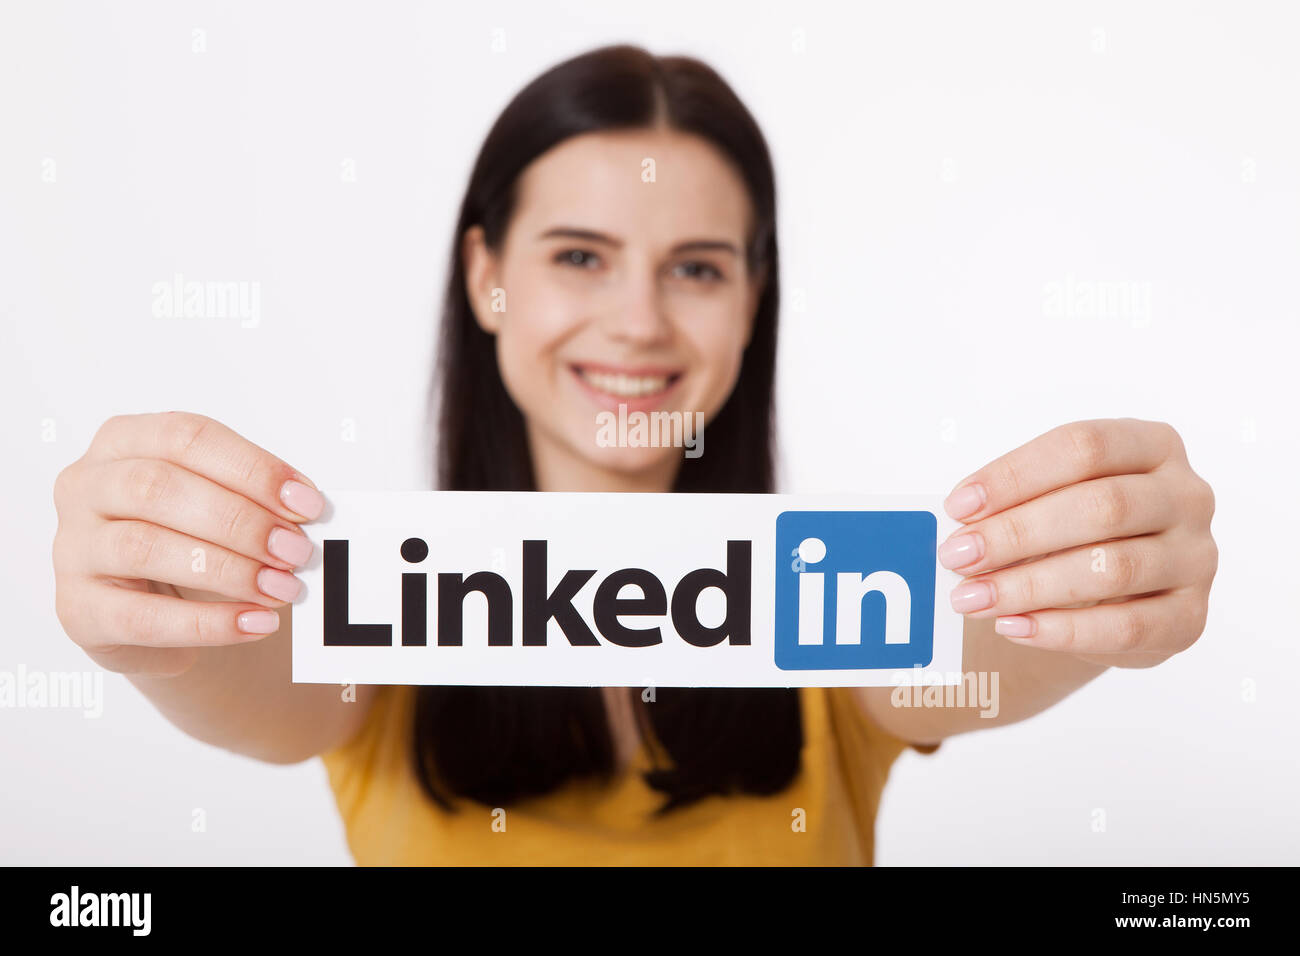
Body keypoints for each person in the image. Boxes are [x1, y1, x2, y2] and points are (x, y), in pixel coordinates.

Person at [50, 45, 1218, 865]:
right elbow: (239, 678)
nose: (638, 322)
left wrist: (1104, 578)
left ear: (753, 301)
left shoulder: (828, 601)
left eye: (698, 267)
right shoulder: (380, 616)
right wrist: (149, 615)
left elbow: (976, 635)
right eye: (578, 256)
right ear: (486, 278)